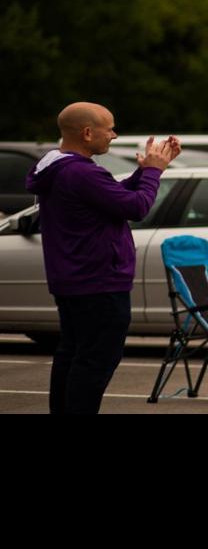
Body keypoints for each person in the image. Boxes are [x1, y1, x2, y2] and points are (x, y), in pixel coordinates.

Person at [26, 102, 180, 414]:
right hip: (98, 283)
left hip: (73, 280)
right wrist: (153, 172)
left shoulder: (59, 167)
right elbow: (136, 208)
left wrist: (143, 172)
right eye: (109, 128)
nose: (114, 134)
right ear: (87, 133)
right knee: (96, 361)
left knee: (73, 353)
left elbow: (112, 198)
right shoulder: (81, 172)